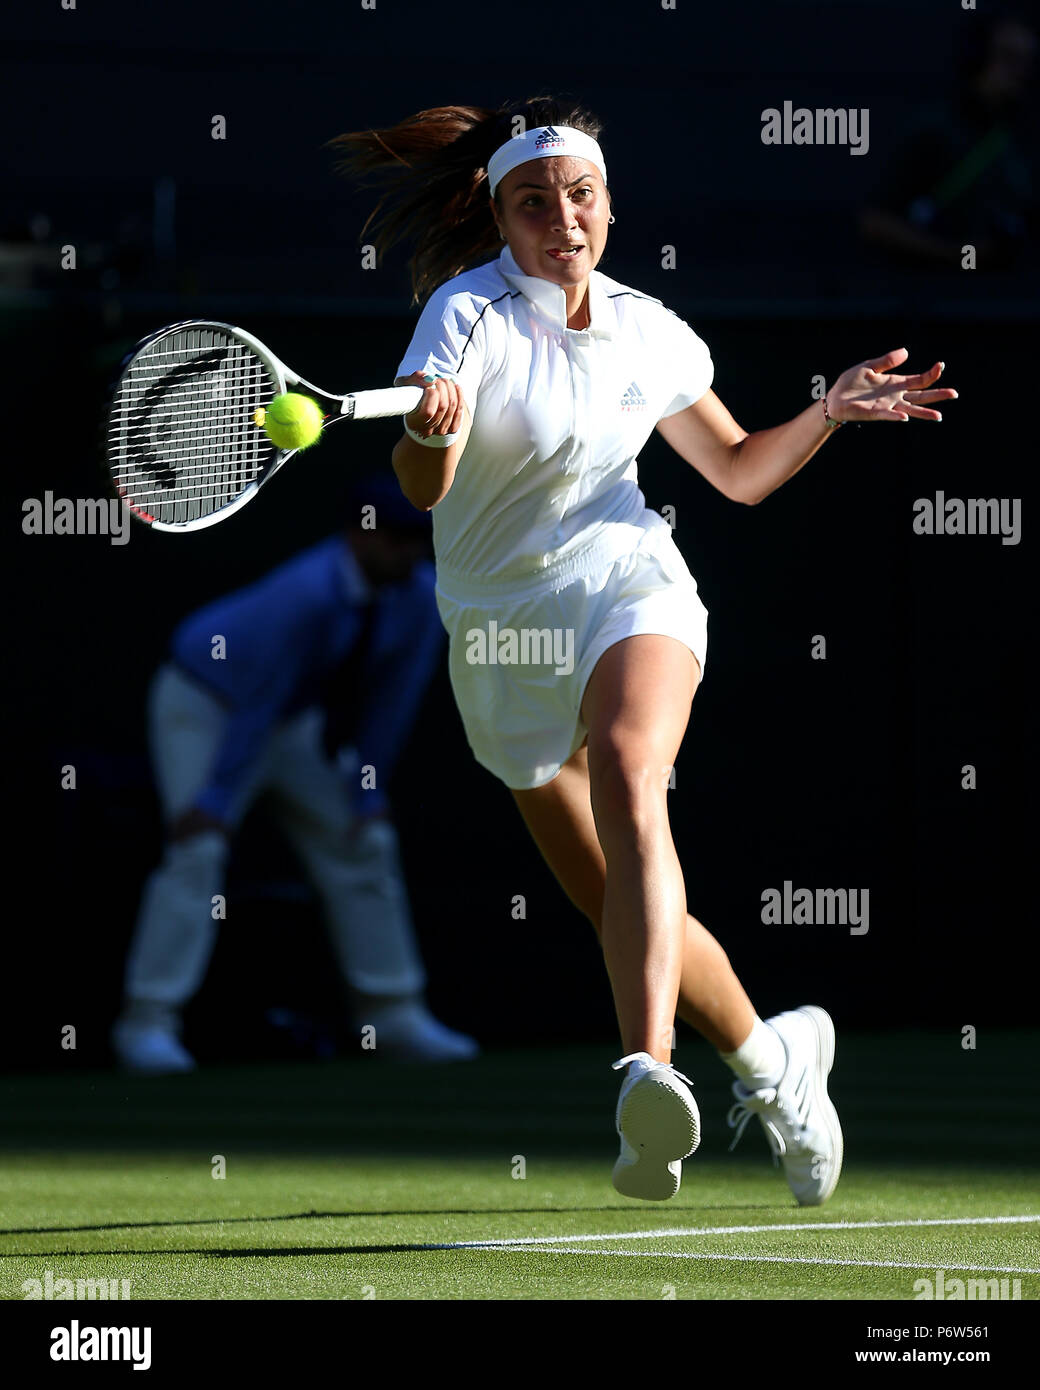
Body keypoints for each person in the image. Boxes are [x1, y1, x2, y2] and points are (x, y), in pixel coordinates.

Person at [330, 99, 957, 1203]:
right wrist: (427, 434)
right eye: (534, 202)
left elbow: (734, 471)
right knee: (613, 890)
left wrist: (829, 410)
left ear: (609, 207)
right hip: (494, 626)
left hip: (627, 579)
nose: (560, 220)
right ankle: (777, 1067)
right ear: (501, 214)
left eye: (579, 197)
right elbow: (422, 490)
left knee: (631, 771)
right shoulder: (461, 318)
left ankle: (645, 1074)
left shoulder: (647, 328)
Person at [112, 475, 479, 1073]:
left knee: (367, 838)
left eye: (418, 538)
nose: (409, 552)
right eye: (394, 538)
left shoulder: (420, 598)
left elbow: (391, 704)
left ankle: (393, 1015)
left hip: (287, 721)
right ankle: (145, 1026)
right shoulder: (306, 595)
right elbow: (259, 699)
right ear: (357, 536)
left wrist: (368, 789)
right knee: (199, 846)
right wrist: (214, 799)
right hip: (204, 702)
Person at [859, 9, 1037, 271]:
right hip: (938, 296)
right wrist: (957, 256)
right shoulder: (936, 130)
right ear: (978, 57)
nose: (1019, 72)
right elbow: (875, 222)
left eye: (1027, 61)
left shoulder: (1023, 137)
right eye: (1008, 57)